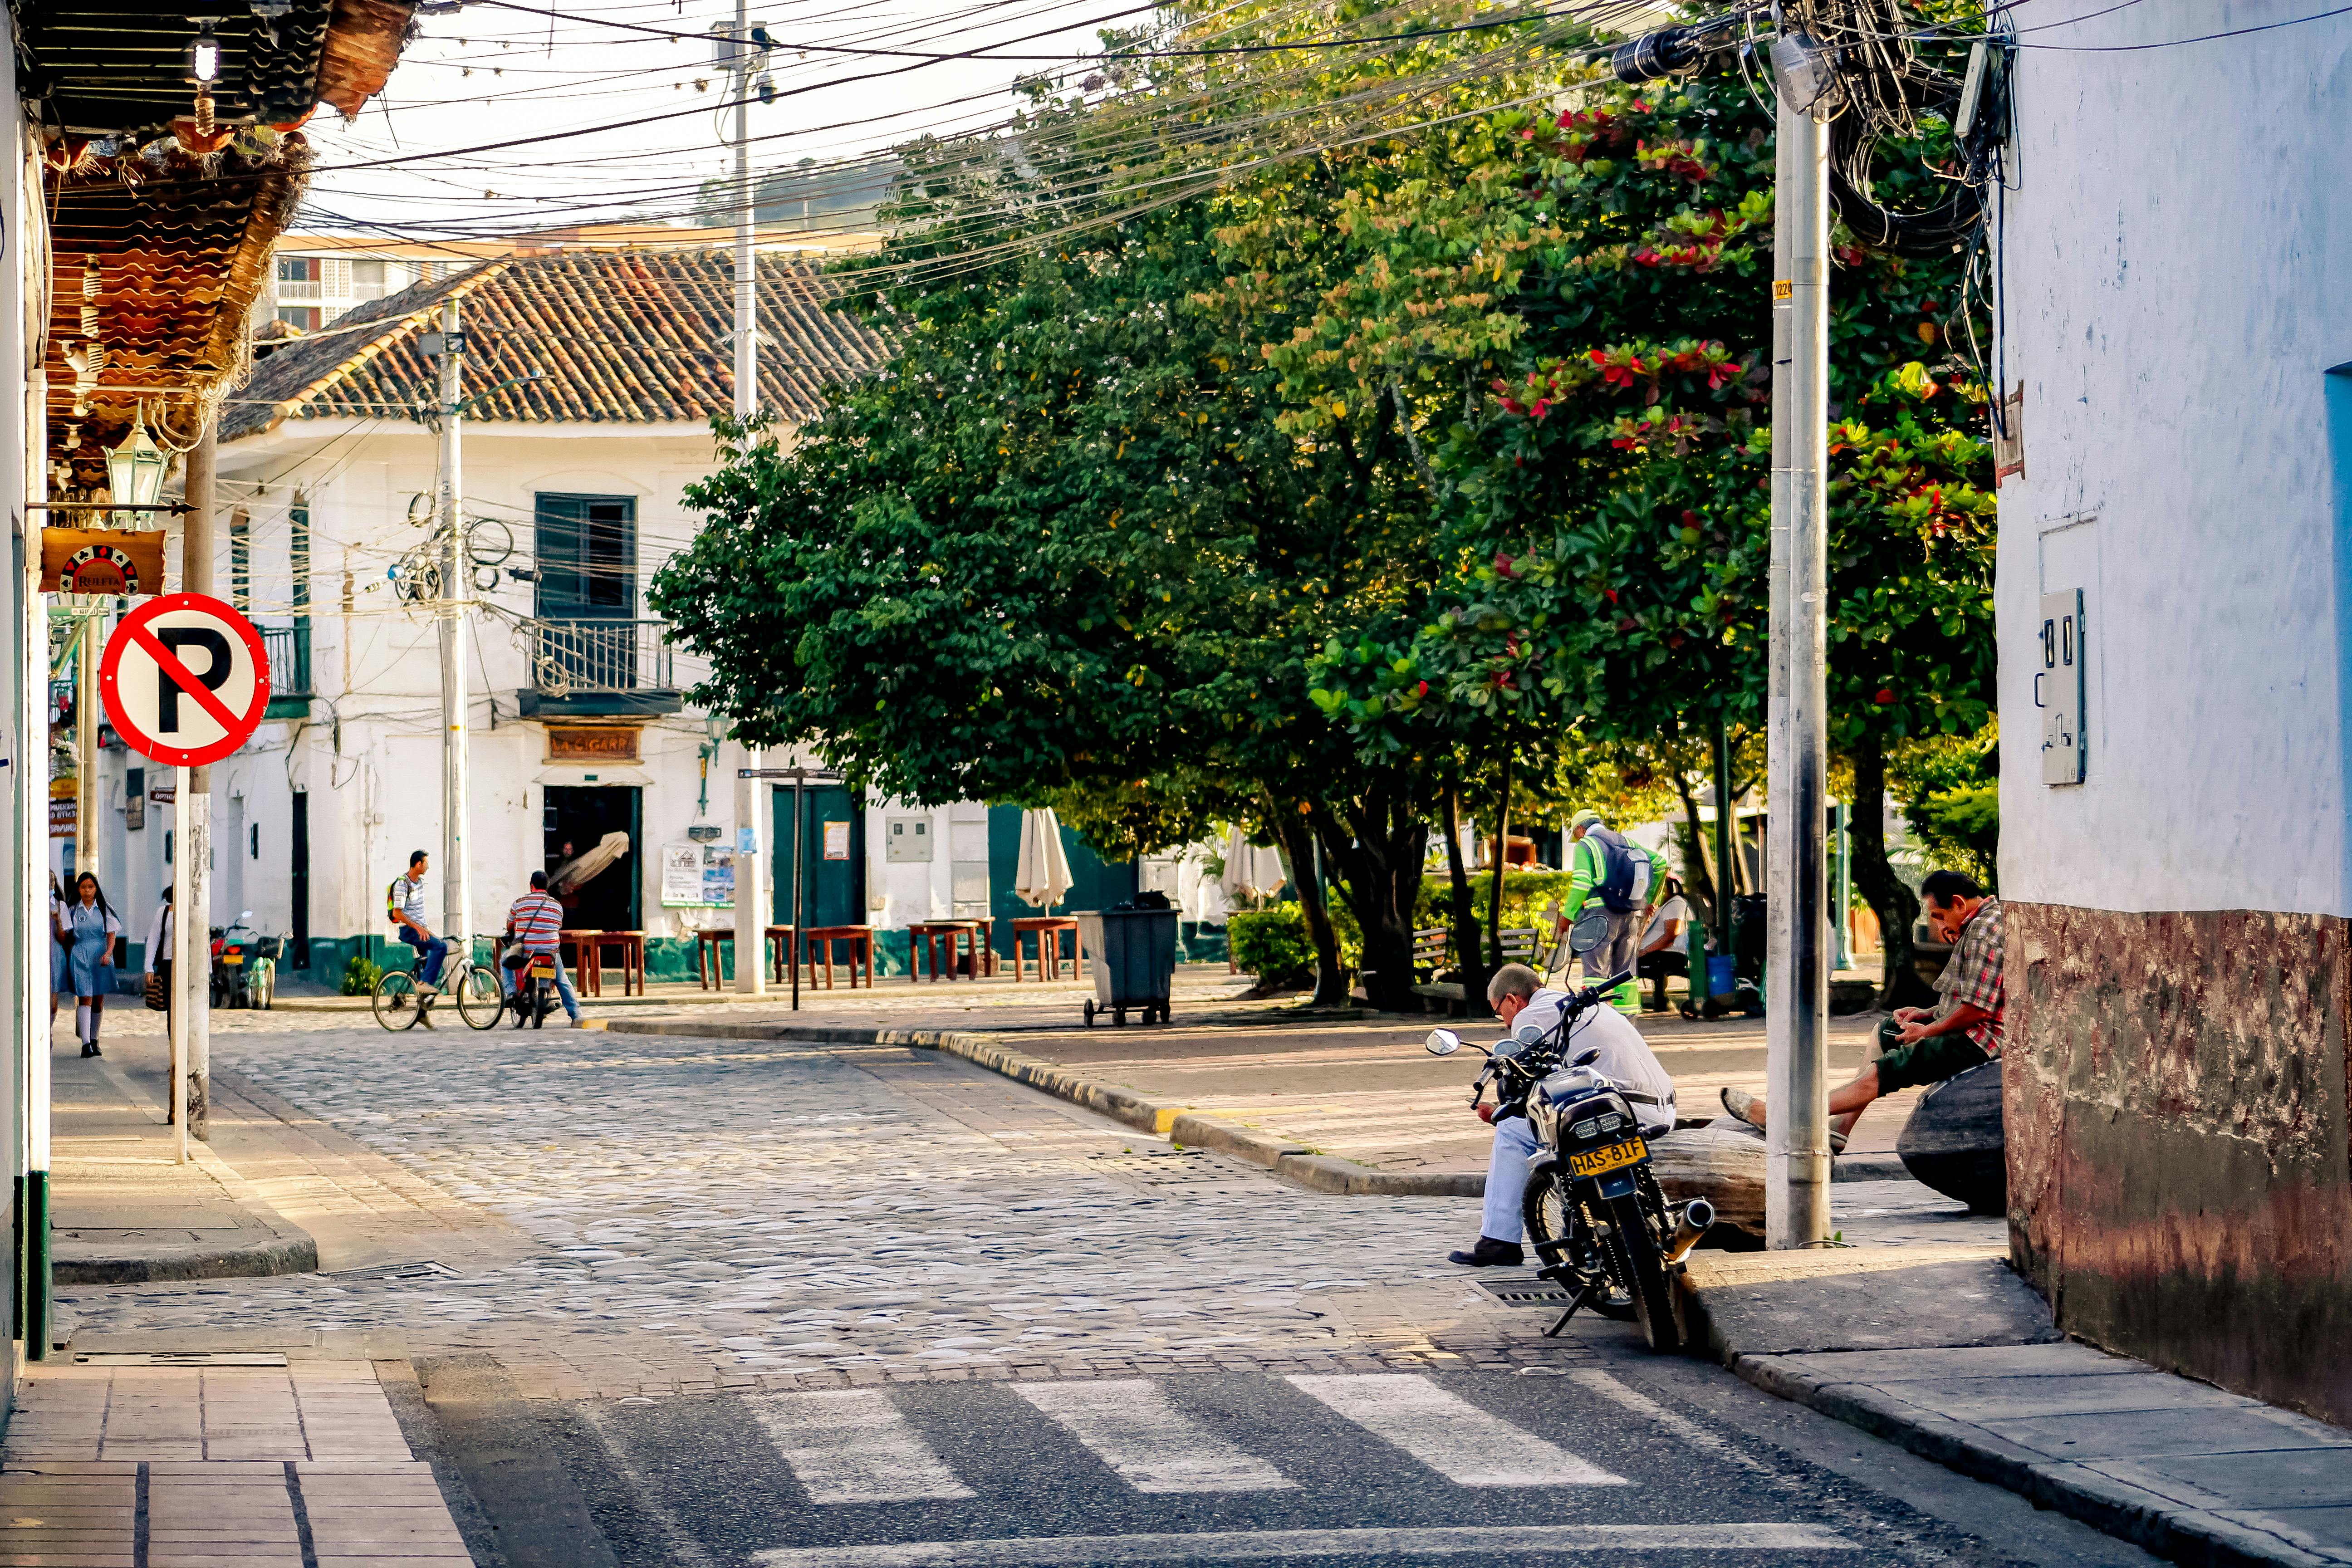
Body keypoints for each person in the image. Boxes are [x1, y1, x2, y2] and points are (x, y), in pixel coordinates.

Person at [1720, 870, 2004, 1143]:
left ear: (1958, 903)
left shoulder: (1985, 931)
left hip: (1977, 1041)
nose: (1940, 928)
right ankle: (1840, 1129)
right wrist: (1928, 1014)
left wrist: (1927, 1032)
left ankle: (1781, 1117)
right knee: (1885, 1033)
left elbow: (1978, 1009)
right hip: (1969, 1028)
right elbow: (1973, 995)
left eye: (1939, 917)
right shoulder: (1980, 923)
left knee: (1884, 1072)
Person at [1449, 962, 1680, 1267]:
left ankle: (1499, 1240)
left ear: (1512, 1000)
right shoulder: (1588, 1003)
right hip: (1660, 1108)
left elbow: (1525, 1085)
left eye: (1499, 1012)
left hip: (1623, 1110)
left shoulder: (1528, 1017)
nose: (1505, 1022)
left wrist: (1500, 1111)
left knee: (1512, 1130)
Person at [1546, 808, 1655, 1014]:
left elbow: (1581, 883)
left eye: (1576, 833)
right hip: (1632, 914)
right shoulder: (1627, 842)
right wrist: (1647, 898)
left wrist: (1567, 916)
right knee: (1625, 974)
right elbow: (1659, 863)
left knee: (1596, 972)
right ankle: (1628, 1022)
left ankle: (1597, 1020)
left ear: (1580, 828)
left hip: (1599, 916)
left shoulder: (1586, 845)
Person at [501, 869, 583, 1026]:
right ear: (547, 887)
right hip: (551, 953)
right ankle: (577, 1015)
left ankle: (511, 993)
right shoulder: (557, 906)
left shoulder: (519, 903)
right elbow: (558, 926)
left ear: (532, 886)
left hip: (526, 952)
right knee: (562, 980)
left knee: (504, 960)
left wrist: (514, 933)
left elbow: (510, 925)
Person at [64, 872, 122, 1058]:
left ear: (96, 889)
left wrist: (108, 954)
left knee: (98, 999)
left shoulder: (105, 909)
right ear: (78, 889)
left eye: (91, 887)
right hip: (81, 954)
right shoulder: (73, 910)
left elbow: (111, 936)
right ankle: (86, 1043)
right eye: (83, 887)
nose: (88, 891)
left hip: (100, 956)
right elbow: (66, 935)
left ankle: (95, 1038)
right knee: (85, 997)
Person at [387, 849, 448, 992]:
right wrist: (419, 929)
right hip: (409, 930)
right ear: (419, 864)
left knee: (428, 963)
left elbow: (418, 914)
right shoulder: (403, 884)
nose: (428, 867)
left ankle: (422, 1010)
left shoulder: (419, 883)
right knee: (441, 947)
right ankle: (424, 983)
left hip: (420, 930)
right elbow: (397, 913)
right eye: (426, 863)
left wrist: (426, 930)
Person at [1637, 875, 1690, 1013]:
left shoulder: (1676, 903)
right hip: (1654, 953)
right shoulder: (1659, 907)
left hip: (1668, 954)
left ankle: (1660, 1002)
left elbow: (1670, 936)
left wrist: (1645, 951)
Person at [145, 885, 175, 1039]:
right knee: (172, 1008)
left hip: (190, 966)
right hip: (168, 965)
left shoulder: (193, 910)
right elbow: (153, 939)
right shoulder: (163, 913)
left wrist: (208, 970)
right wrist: (149, 967)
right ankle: (175, 1048)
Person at [47, 871, 68, 1033]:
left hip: (54, 955)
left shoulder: (60, 906)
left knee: (53, 1004)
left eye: (52, 880)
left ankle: (49, 1029)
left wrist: (59, 921)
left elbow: (63, 938)